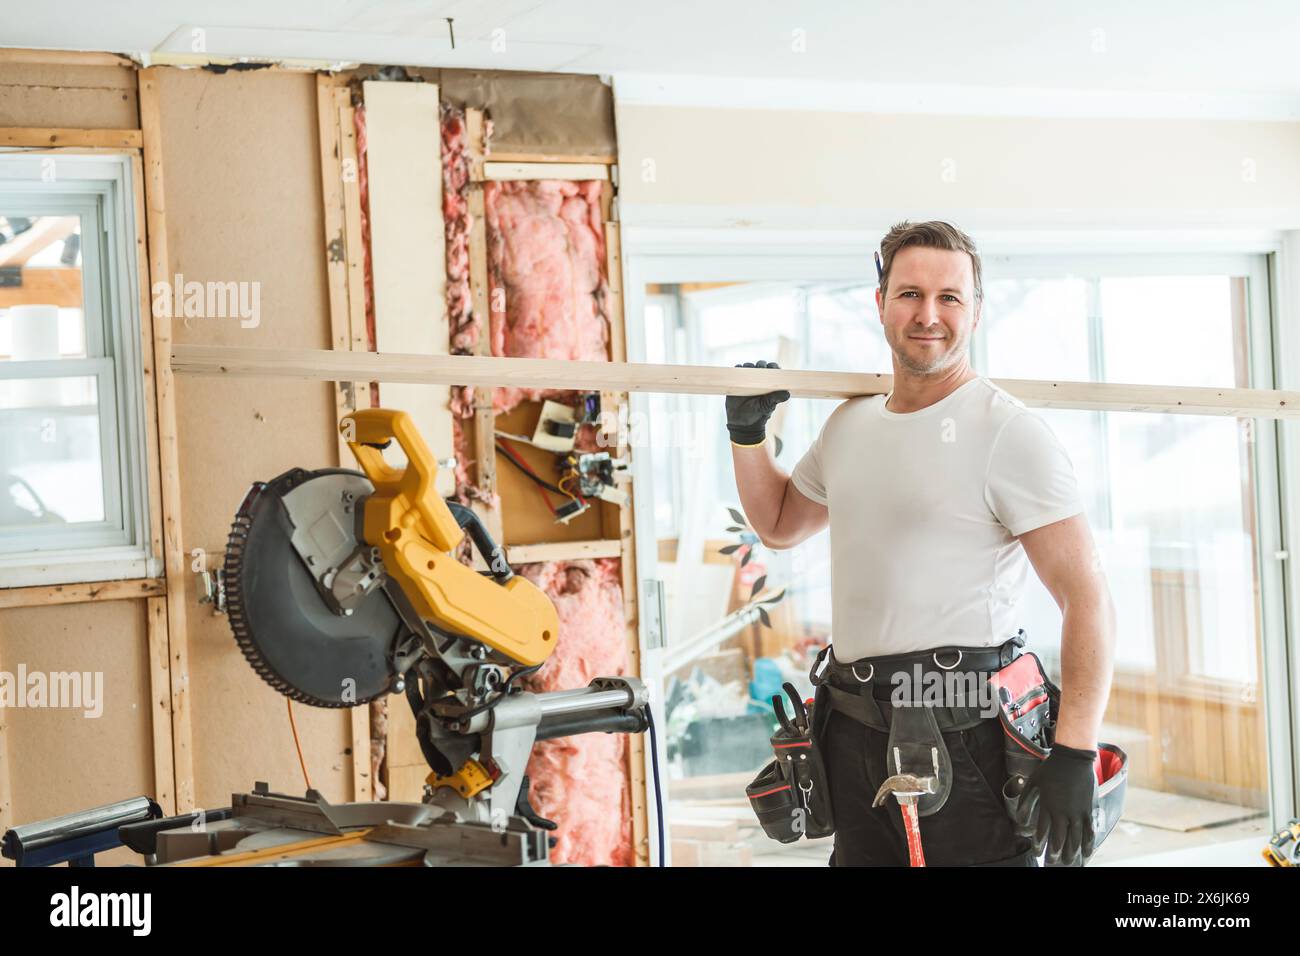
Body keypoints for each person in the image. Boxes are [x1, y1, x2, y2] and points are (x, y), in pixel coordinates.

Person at [726, 220, 1116, 866]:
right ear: (878, 303)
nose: (928, 314)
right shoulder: (851, 424)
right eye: (909, 294)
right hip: (852, 726)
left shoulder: (1007, 433)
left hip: (967, 732)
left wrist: (1074, 750)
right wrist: (749, 438)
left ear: (976, 312)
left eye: (949, 298)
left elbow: (1088, 598)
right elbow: (782, 522)